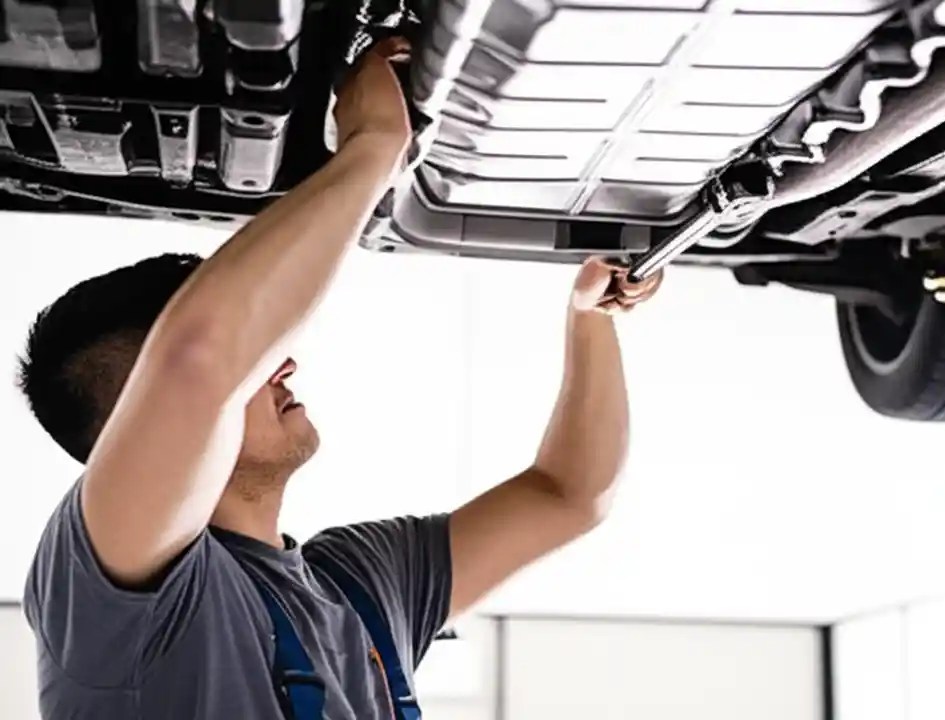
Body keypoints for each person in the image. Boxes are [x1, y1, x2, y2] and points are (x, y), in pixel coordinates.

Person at [16, 38, 662, 719]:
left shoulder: (357, 581)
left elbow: (570, 492)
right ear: (136, 420)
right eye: (256, 361)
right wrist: (373, 145)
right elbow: (201, 359)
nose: (284, 363)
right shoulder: (114, 595)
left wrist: (590, 319)